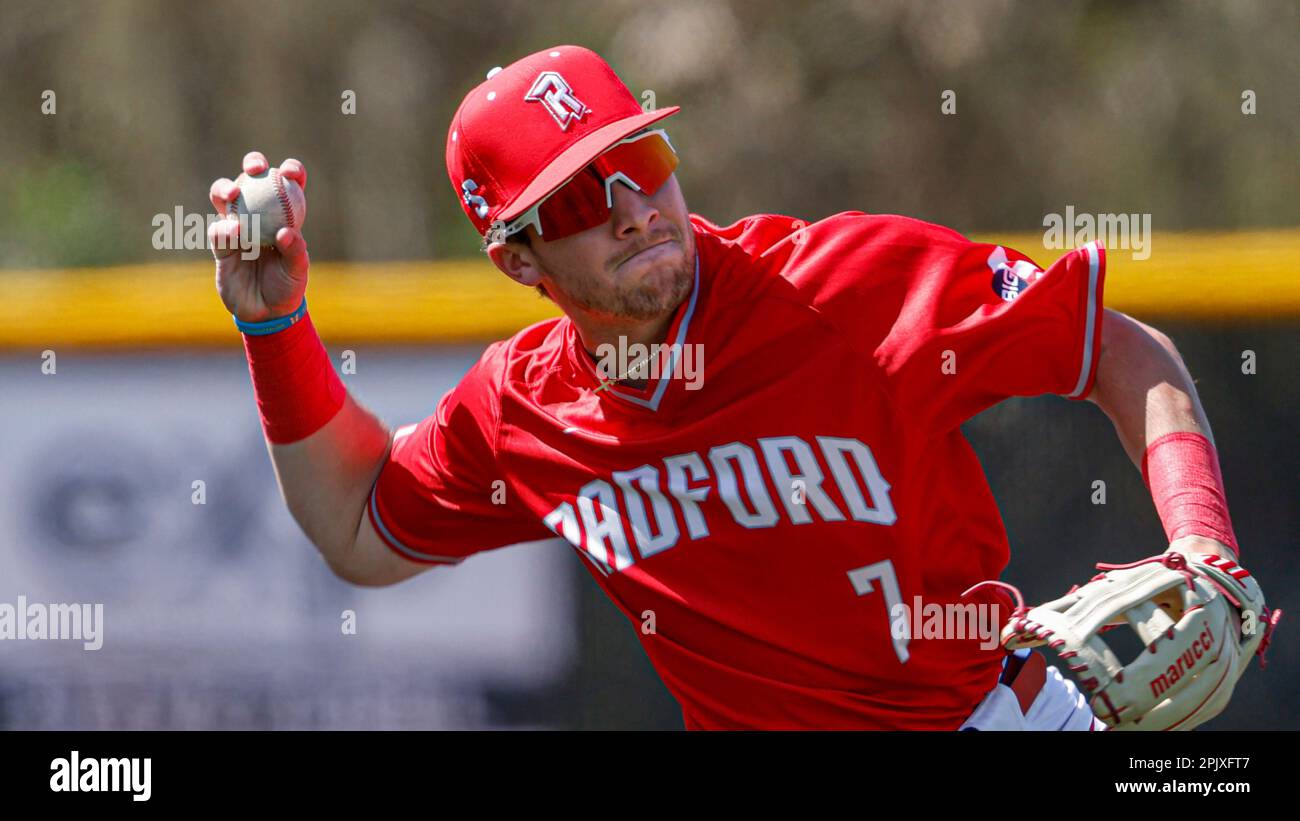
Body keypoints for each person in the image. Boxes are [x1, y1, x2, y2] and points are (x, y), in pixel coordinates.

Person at [208, 45, 1250, 730]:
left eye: (641, 157)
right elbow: (355, 523)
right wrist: (272, 322)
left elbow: (1120, 351)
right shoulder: (523, 410)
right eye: (578, 196)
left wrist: (1201, 541)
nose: (632, 208)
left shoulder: (845, 287)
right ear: (518, 258)